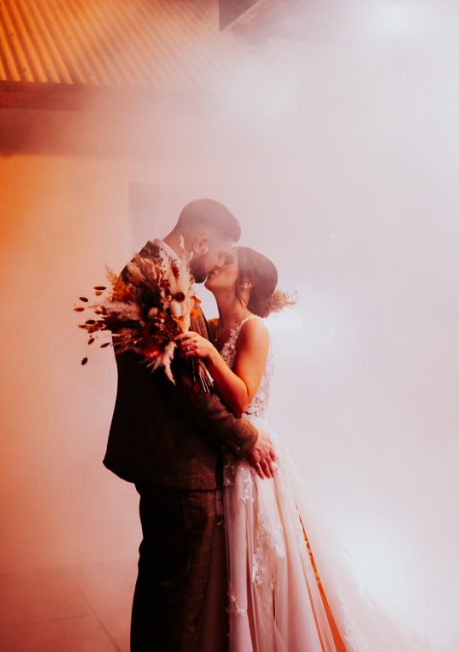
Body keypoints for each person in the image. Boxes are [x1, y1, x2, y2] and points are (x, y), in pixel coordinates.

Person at [179, 247, 418, 652]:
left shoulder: (255, 329)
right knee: (227, 566)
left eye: (228, 261)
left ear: (246, 282)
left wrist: (207, 355)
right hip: (223, 449)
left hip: (253, 459)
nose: (216, 264)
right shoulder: (212, 325)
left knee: (258, 565)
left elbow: (241, 396)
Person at [104, 199, 278, 652]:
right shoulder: (157, 282)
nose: (217, 262)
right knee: (176, 610)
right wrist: (246, 439)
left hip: (172, 466)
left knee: (166, 600)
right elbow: (187, 389)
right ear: (199, 240)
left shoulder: (156, 274)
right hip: (181, 468)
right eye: (219, 251)